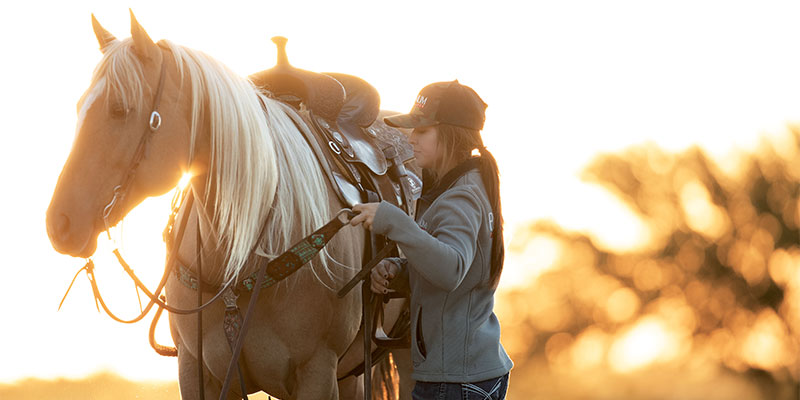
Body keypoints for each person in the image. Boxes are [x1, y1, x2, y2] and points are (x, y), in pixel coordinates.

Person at [349, 80, 513, 400]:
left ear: (451, 135)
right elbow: (460, 272)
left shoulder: (460, 196)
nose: (411, 139)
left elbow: (451, 270)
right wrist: (399, 270)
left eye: (422, 132)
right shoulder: (464, 188)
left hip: (454, 380)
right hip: (463, 372)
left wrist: (392, 220)